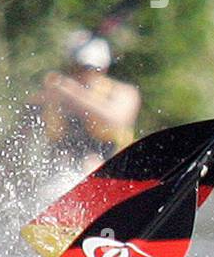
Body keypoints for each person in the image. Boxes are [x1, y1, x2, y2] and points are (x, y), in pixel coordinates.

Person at [34, 31, 141, 174]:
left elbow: (118, 118)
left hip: (111, 164)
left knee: (91, 162)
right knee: (65, 160)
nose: (86, 74)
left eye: (93, 69)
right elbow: (24, 126)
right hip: (61, 163)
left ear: (104, 68)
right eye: (78, 67)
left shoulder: (123, 92)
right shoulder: (54, 92)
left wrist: (72, 94)